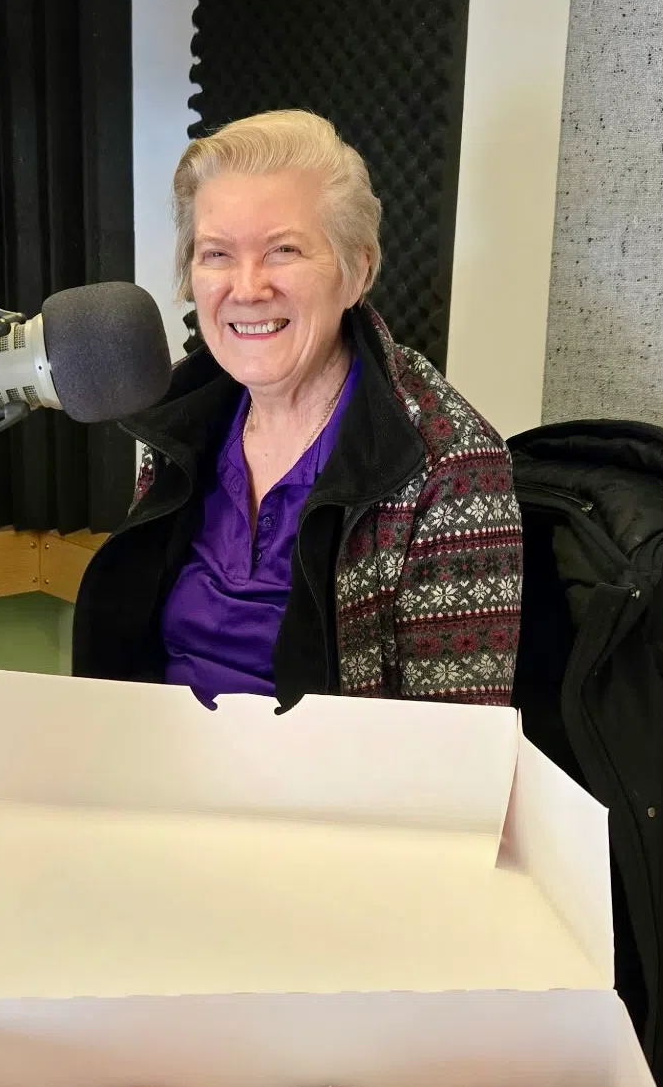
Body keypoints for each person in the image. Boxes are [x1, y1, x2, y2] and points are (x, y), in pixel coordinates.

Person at [73, 110, 522, 708]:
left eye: (283, 250)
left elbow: (454, 751)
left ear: (356, 271)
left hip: (325, 796)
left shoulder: (450, 464)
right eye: (216, 254)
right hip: (153, 768)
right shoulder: (180, 415)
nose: (248, 287)